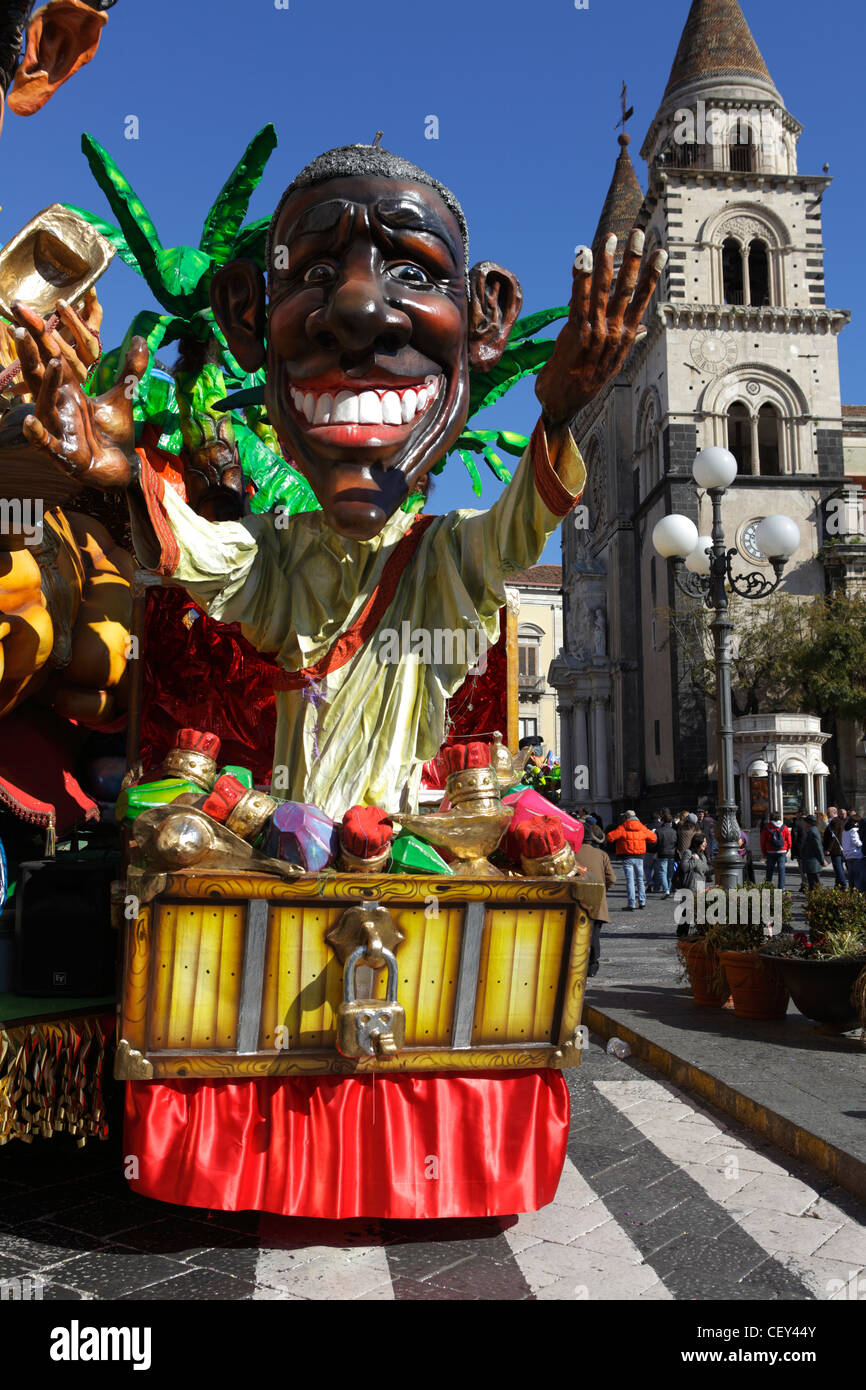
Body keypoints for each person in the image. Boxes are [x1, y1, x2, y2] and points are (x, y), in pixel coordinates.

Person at [574, 836, 616, 977]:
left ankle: (576, 963)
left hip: (576, 900)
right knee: (594, 935)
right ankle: (592, 965)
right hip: (597, 901)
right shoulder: (602, 854)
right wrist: (603, 889)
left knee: (575, 934)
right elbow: (612, 878)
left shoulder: (572, 855)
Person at [607, 810, 657, 912]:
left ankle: (631, 904)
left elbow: (610, 837)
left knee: (630, 880)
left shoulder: (623, 827)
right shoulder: (642, 827)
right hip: (639, 857)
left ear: (626, 817)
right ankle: (642, 902)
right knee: (640, 880)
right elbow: (653, 838)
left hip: (627, 857)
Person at [675, 832, 712, 938]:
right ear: (698, 842)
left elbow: (705, 869)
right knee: (687, 909)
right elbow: (684, 867)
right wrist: (694, 860)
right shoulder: (688, 852)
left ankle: (699, 931)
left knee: (699, 910)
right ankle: (682, 931)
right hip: (690, 884)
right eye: (704, 842)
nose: (705, 844)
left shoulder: (702, 855)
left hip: (700, 885)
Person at [761, 816, 791, 888]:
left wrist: (764, 853)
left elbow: (762, 841)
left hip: (770, 851)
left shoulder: (767, 827)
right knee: (781, 870)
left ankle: (768, 888)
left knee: (769, 871)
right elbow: (789, 840)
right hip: (782, 851)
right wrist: (787, 849)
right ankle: (781, 888)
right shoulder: (784, 827)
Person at [654, 809, 678, 898]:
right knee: (670, 873)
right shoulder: (674, 831)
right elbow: (676, 842)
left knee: (662, 872)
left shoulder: (658, 831)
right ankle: (669, 889)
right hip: (671, 853)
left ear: (662, 820)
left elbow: (656, 843)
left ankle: (666, 890)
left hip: (662, 853)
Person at [800, 815, 827, 891]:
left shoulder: (813, 832)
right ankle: (814, 896)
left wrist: (822, 860)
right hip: (810, 861)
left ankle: (816, 897)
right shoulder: (810, 830)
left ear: (809, 823)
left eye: (805, 822)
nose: (803, 823)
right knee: (812, 883)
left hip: (813, 862)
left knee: (814, 884)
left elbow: (818, 848)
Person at [824, 816, 848, 889]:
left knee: (838, 869)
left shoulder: (835, 822)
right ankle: (838, 884)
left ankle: (843, 884)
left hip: (836, 849)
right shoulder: (840, 821)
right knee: (839, 868)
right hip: (840, 848)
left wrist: (828, 849)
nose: (827, 814)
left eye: (829, 812)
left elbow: (833, 838)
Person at [842, 818, 864, 893]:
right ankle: (857, 894)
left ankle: (851, 893)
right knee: (857, 877)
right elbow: (856, 842)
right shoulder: (854, 830)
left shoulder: (845, 830)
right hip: (856, 854)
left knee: (851, 876)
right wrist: (863, 844)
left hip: (848, 855)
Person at [644, 810, 662, 892]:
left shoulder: (646, 826)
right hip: (658, 850)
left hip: (648, 850)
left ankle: (650, 881)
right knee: (657, 869)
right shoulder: (661, 826)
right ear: (658, 818)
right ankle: (656, 887)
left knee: (647, 867)